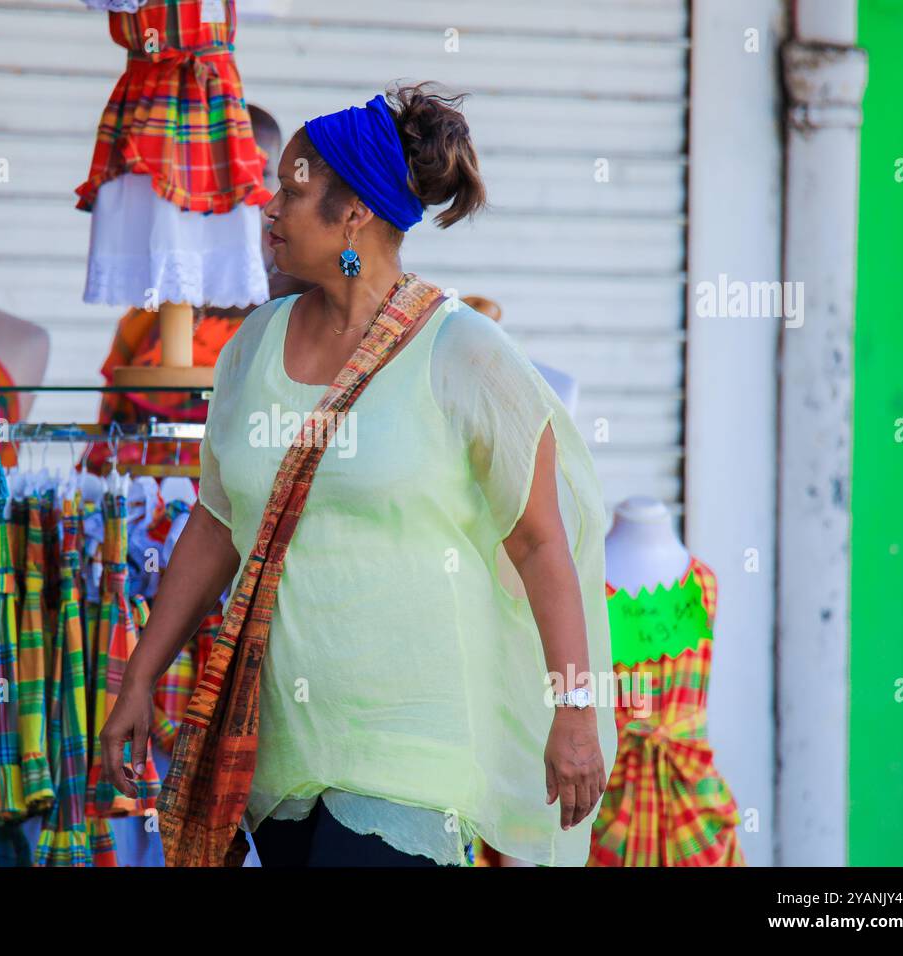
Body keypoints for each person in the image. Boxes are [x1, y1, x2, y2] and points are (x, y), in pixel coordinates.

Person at [99, 82, 618, 867]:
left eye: (291, 190)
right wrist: (140, 676)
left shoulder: (462, 352)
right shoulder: (253, 347)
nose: (269, 211)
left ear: (354, 215)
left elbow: (544, 543)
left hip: (412, 753)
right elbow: (214, 523)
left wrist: (574, 711)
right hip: (279, 753)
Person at [86, 103, 312, 474]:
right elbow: (108, 443)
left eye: (260, 172)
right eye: (224, 171)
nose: (242, 187)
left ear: (281, 185)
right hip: (156, 516)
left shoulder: (303, 294)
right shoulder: (157, 304)